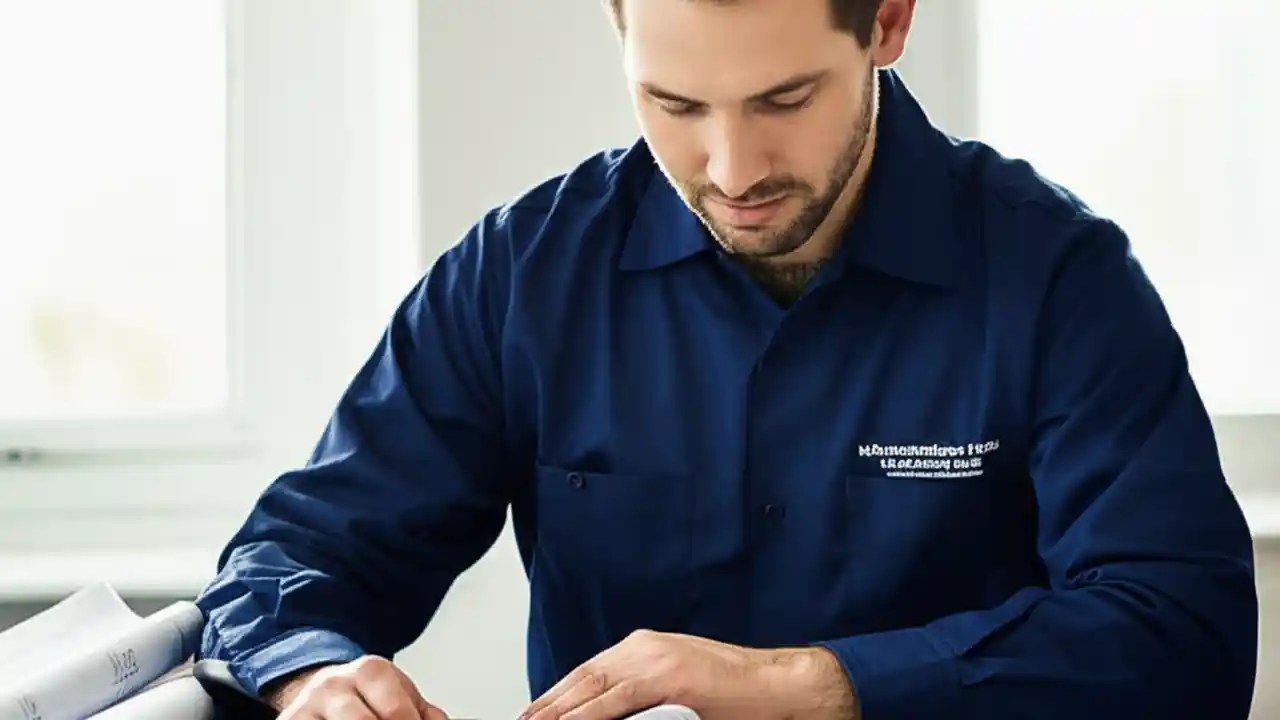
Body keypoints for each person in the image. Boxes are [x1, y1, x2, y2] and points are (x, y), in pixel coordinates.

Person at [194, 0, 1260, 718]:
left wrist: (806, 684)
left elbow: (1182, 635)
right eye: (674, 105)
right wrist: (314, 676)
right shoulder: (520, 276)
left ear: (886, 22)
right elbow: (292, 560)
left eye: (782, 101)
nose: (730, 168)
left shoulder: (1058, 279)